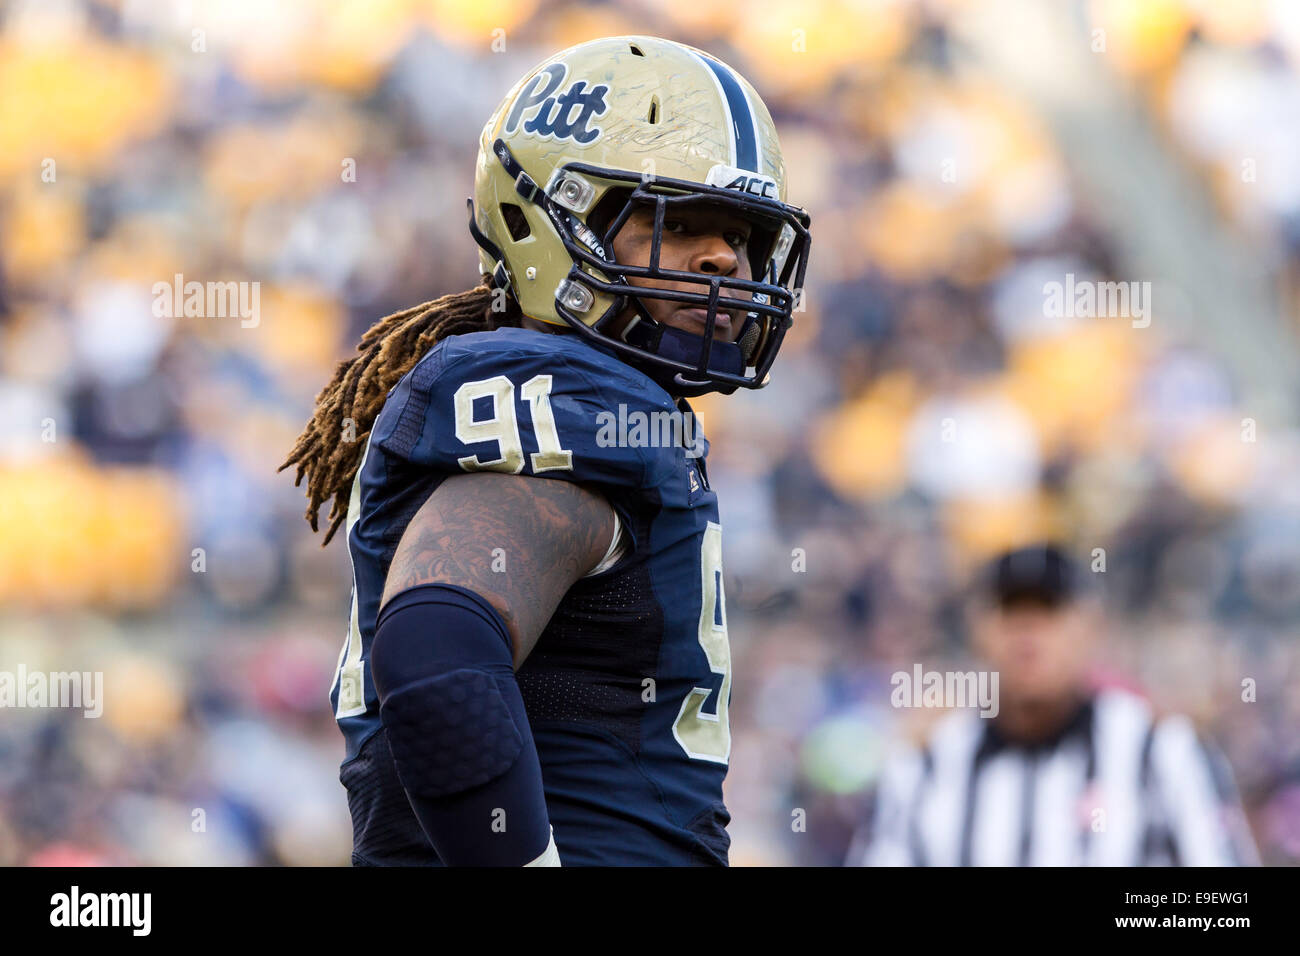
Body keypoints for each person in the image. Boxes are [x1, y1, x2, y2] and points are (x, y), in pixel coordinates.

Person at [281, 35, 811, 866]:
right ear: (550, 226)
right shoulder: (562, 394)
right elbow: (436, 657)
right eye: (679, 223)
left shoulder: (624, 409)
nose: (725, 259)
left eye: (742, 234)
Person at [849, 543, 1258, 866]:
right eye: (1011, 612)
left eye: (1049, 611)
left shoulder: (1164, 752)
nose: (1029, 634)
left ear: (1088, 627)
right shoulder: (926, 764)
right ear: (979, 631)